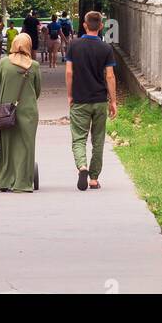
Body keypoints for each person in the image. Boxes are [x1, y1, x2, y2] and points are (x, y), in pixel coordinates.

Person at [66, 10, 117, 191]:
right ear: (101, 26)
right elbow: (110, 76)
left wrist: (70, 94)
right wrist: (113, 101)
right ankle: (94, 178)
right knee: (98, 139)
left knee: (79, 138)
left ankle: (82, 167)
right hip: (100, 100)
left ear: (85, 25)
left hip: (80, 99)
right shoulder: (106, 49)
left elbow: (69, 72)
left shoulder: (74, 46)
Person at [0, 32, 41, 191]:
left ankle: (5, 180)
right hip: (28, 112)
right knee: (26, 146)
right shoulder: (34, 66)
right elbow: (37, 90)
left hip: (6, 111)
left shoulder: (4, 63)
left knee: (7, 144)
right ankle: (22, 183)